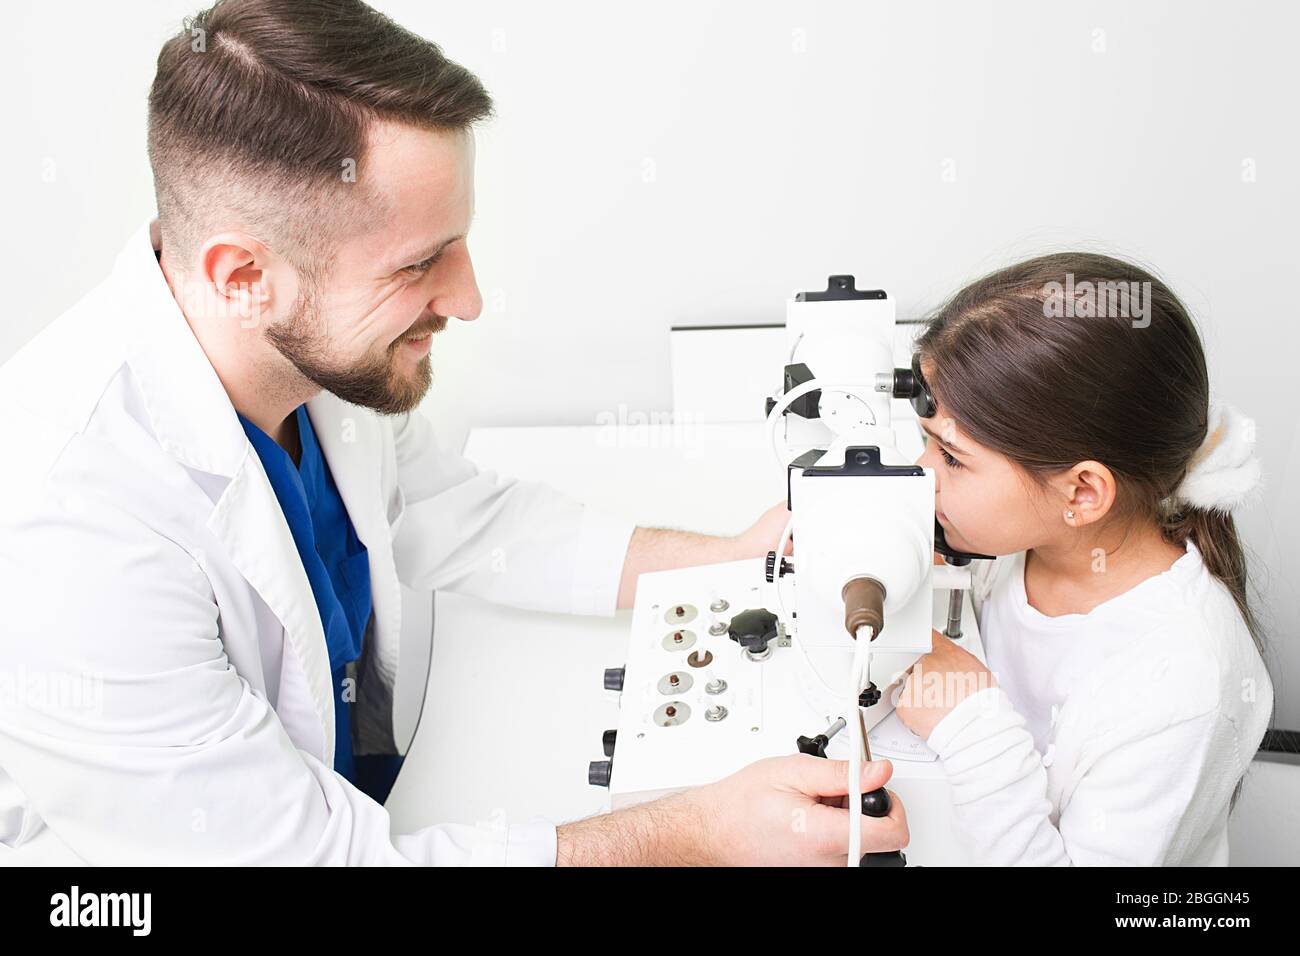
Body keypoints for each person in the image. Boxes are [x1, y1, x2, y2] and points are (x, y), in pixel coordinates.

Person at [0, 0, 908, 865]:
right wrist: (689, 837)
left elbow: (459, 517)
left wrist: (732, 554)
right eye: (419, 264)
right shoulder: (68, 532)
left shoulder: (308, 357)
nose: (468, 300)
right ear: (243, 276)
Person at [893, 252, 1274, 865]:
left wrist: (971, 724)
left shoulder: (1183, 684)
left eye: (953, 459)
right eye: (926, 444)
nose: (921, 475)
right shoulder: (1025, 544)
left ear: (1084, 492)